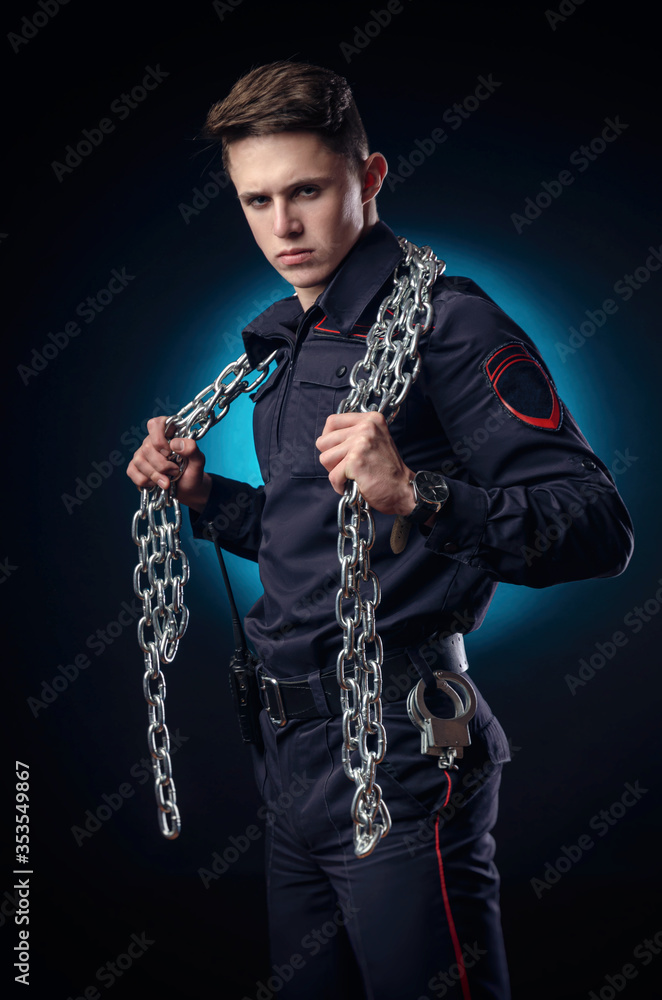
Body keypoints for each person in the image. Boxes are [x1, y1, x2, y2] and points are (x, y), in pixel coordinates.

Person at [126, 62, 634, 1000]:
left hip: (403, 763)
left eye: (309, 191)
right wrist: (206, 500)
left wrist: (422, 493)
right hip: (292, 769)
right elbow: (317, 544)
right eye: (258, 200)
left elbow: (599, 528)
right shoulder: (292, 340)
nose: (284, 227)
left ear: (369, 180)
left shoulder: (452, 326)